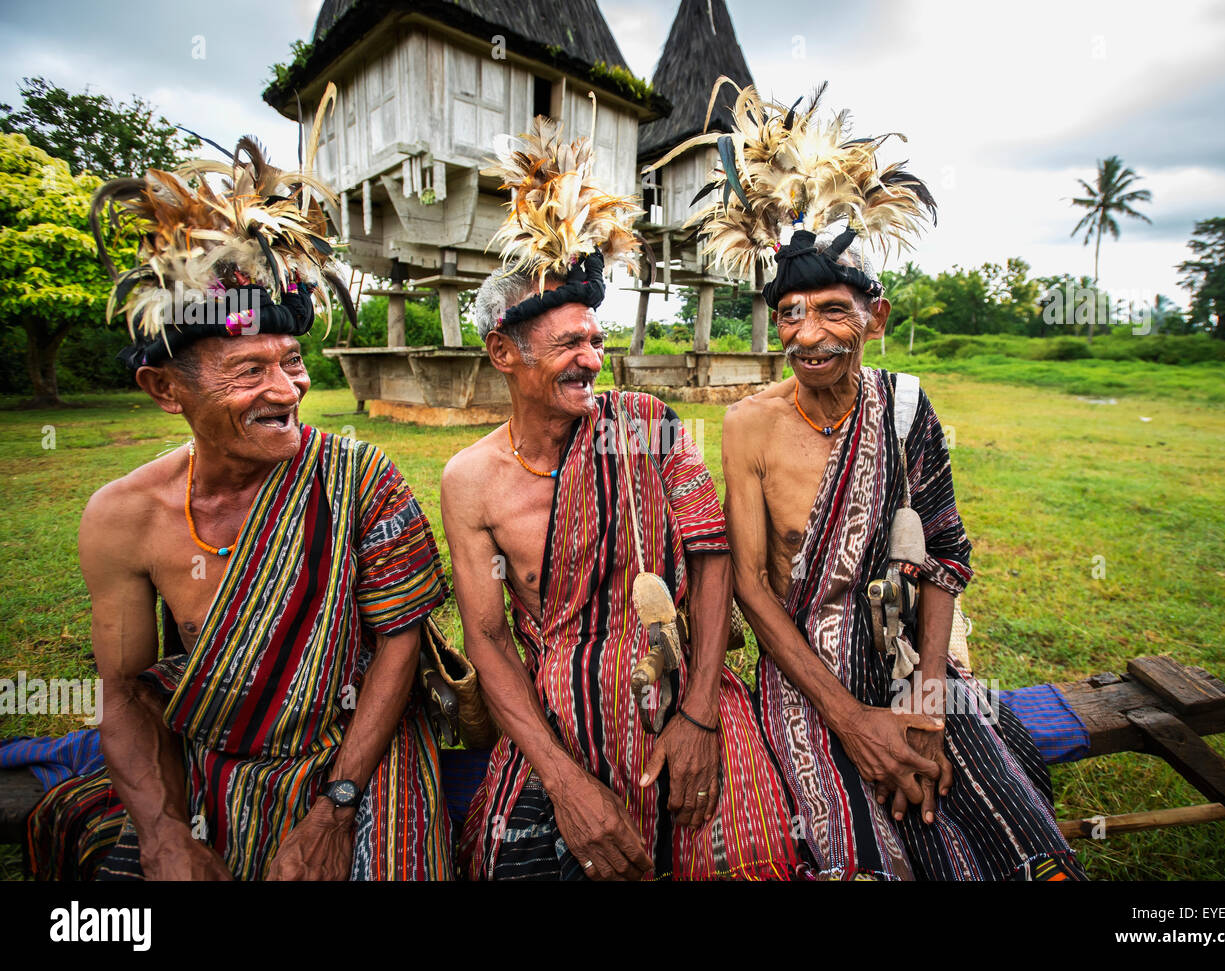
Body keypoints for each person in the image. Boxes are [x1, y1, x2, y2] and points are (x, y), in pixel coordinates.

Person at [663, 82, 1086, 879]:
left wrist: (926, 701)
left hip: (908, 661)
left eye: (831, 309)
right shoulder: (749, 424)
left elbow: (944, 558)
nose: (809, 334)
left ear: (876, 316)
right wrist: (851, 719)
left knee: (1010, 835)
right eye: (790, 312)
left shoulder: (907, 410)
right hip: (806, 678)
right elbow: (751, 586)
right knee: (860, 849)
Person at [28, 108, 454, 880]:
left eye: (291, 360)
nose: (287, 390)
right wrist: (163, 834)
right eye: (248, 370)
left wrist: (338, 803)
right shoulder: (122, 518)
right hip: (218, 759)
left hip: (357, 753)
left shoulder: (356, 478)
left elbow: (400, 646)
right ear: (164, 389)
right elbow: (124, 690)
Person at [443, 118, 799, 881]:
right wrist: (565, 782)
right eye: (570, 343)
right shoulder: (469, 481)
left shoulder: (649, 427)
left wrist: (700, 715)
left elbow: (711, 565)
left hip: (681, 691)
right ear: (505, 352)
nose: (592, 360)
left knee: (750, 857)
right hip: (557, 724)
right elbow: (489, 642)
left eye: (597, 341)